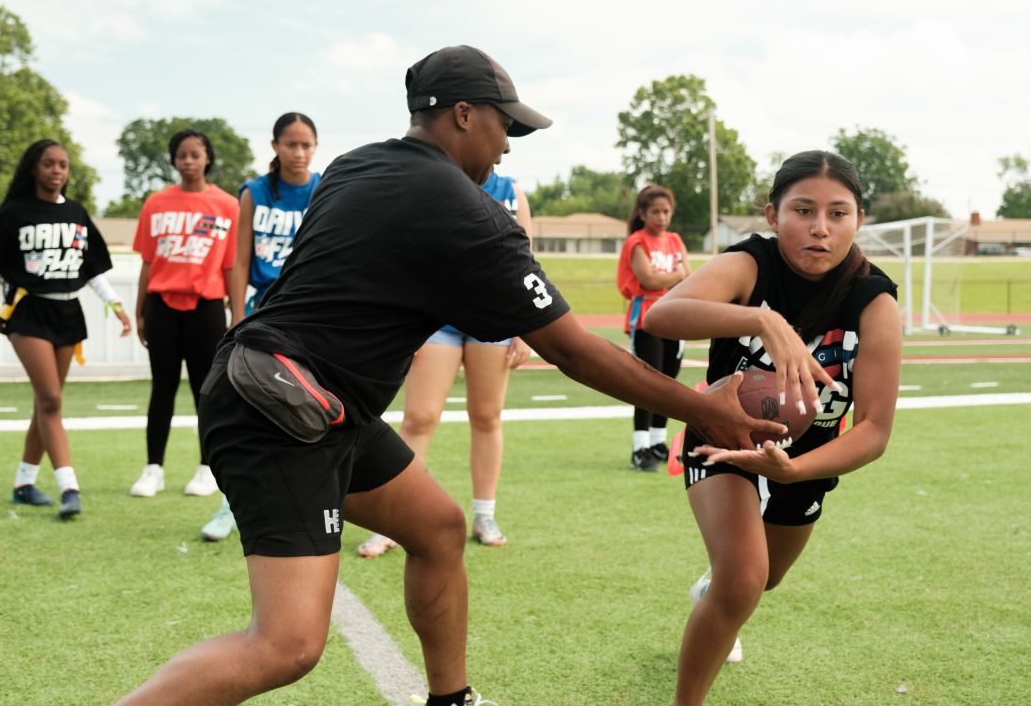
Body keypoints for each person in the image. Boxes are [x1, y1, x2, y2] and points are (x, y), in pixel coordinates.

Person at [115, 45, 784, 706]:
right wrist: (701, 407)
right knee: (287, 646)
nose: (509, 147)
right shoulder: (462, 211)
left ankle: (450, 700)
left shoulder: (355, 166)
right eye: (505, 125)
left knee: (436, 529)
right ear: (464, 114)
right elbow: (575, 351)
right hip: (284, 410)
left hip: (306, 394)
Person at [642, 150, 903, 706]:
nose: (819, 228)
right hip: (722, 440)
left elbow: (875, 429)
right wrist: (762, 318)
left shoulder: (874, 300)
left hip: (804, 460)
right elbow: (660, 316)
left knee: (761, 582)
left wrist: (793, 468)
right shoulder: (750, 264)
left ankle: (713, 594)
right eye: (802, 210)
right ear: (772, 215)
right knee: (742, 579)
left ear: (860, 221)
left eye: (838, 213)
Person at [356, 170, 533, 558]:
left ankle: (484, 515)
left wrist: (523, 329)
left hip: (494, 319)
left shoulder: (511, 191)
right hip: (436, 321)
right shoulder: (433, 181)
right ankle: (392, 521)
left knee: (487, 416)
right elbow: (404, 257)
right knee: (419, 417)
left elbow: (526, 263)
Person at [0, 139, 132, 520]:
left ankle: (24, 483)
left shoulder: (76, 213)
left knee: (46, 402)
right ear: (33, 169)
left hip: (69, 312)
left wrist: (115, 306)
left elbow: (90, 269)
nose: (57, 171)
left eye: (63, 165)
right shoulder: (14, 213)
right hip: (29, 313)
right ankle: (69, 486)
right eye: (48, 164)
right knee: (52, 400)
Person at [201, 112, 320, 542]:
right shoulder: (254, 191)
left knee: (310, 407)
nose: (299, 153)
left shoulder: (323, 186)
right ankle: (229, 505)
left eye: (307, 145)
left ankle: (309, 499)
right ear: (275, 147)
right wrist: (238, 315)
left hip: (310, 312)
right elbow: (239, 260)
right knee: (249, 407)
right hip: (263, 310)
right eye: (291, 144)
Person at [129, 130, 238, 499]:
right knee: (161, 387)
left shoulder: (227, 205)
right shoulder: (156, 203)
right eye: (182, 155)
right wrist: (140, 309)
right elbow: (147, 261)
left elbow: (231, 267)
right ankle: (152, 469)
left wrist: (237, 314)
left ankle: (207, 468)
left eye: (196, 154)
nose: (189, 161)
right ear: (173, 160)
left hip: (206, 309)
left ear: (208, 158)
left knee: (205, 391)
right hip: (162, 307)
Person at [616, 184, 690, 472]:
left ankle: (659, 442)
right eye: (655, 212)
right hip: (647, 316)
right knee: (648, 381)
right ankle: (640, 447)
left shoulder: (674, 239)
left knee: (669, 381)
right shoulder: (637, 241)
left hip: (675, 315)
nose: (661, 217)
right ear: (643, 214)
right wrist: (676, 274)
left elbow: (688, 278)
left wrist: (673, 277)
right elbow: (649, 280)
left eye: (666, 211)